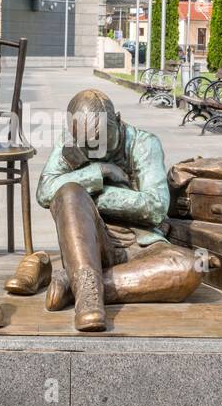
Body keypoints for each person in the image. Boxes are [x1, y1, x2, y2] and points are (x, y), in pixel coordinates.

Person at [36, 89, 201, 331]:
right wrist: (98, 172)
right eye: (90, 148)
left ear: (119, 120)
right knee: (69, 193)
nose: (97, 152)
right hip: (91, 244)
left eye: (105, 142)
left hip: (140, 246)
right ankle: (89, 300)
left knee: (189, 267)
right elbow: (45, 192)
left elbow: (155, 208)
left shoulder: (145, 144)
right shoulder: (69, 142)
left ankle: (79, 286)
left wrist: (94, 194)